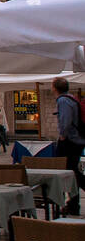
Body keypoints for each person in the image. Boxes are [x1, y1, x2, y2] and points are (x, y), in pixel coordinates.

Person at [53, 78, 85, 213]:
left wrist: (62, 135)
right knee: (72, 172)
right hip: (76, 140)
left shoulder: (63, 100)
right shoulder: (71, 98)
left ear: (54, 88)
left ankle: (73, 204)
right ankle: (73, 204)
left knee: (69, 172)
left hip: (70, 141)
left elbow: (65, 120)